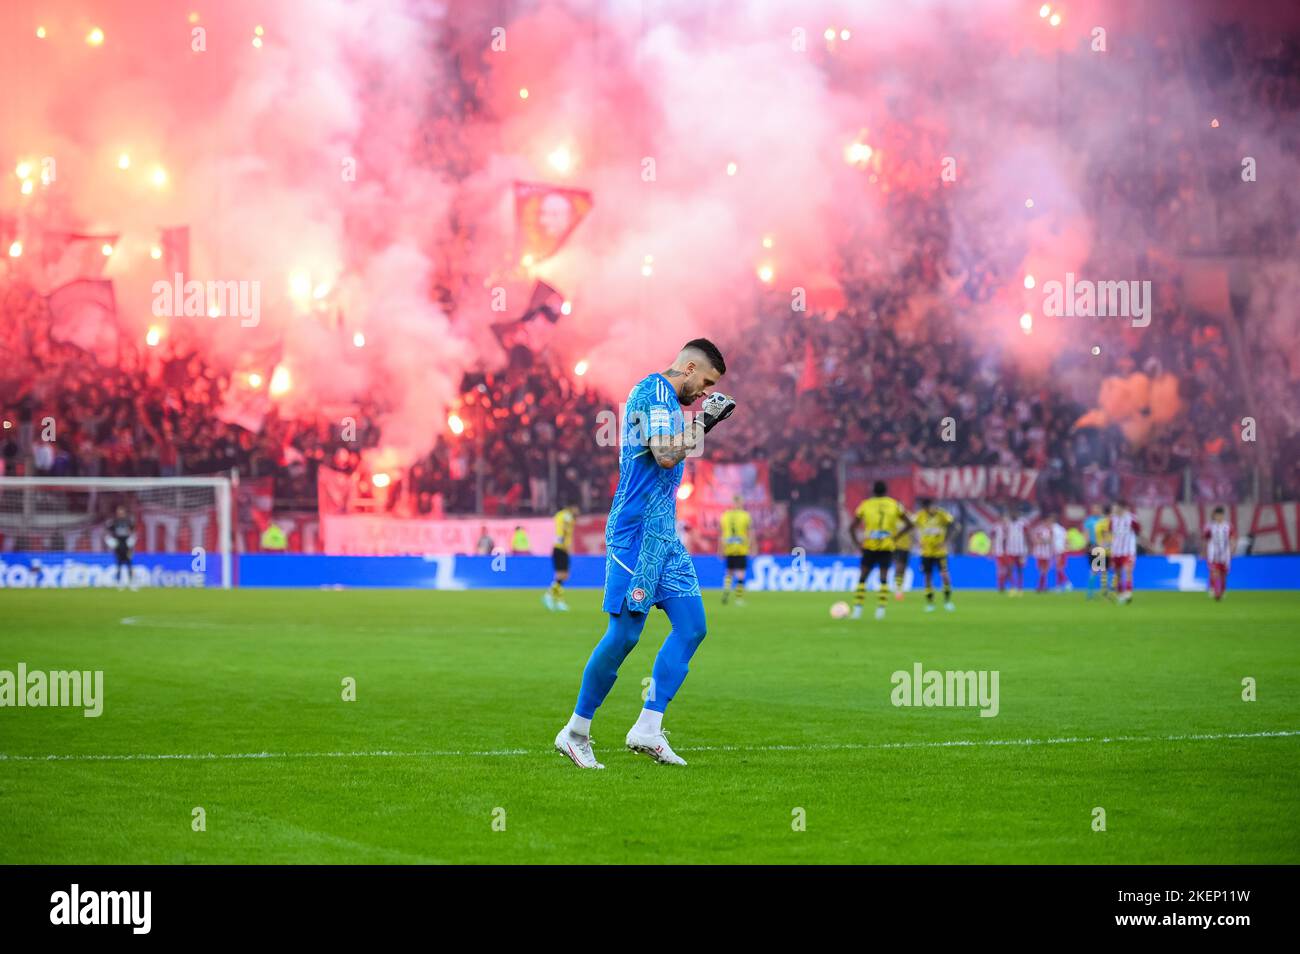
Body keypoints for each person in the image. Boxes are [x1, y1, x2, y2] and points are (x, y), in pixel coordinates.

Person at [554, 339, 735, 769]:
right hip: (634, 535)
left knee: (692, 627)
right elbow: (665, 454)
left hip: (663, 540)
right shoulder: (652, 393)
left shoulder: (671, 403)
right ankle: (576, 731)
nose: (705, 394)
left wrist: (698, 421)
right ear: (688, 368)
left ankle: (648, 728)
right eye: (705, 382)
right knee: (625, 635)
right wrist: (704, 422)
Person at [850, 480, 913, 620]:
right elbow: (910, 524)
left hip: (869, 546)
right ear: (886, 491)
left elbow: (852, 527)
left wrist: (857, 543)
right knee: (883, 578)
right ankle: (880, 611)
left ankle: (857, 610)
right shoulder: (894, 504)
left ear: (873, 491)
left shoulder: (865, 505)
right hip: (886, 546)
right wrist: (896, 537)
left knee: (862, 577)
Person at [913, 498, 955, 612]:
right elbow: (910, 526)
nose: (934, 508)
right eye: (932, 506)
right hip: (926, 552)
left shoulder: (942, 515)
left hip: (940, 552)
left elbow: (954, 526)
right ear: (926, 508)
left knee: (944, 575)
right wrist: (917, 542)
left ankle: (947, 601)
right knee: (927, 577)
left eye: (935, 505)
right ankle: (930, 603)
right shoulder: (920, 516)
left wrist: (946, 541)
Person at [719, 494, 751, 606]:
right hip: (741, 548)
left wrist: (720, 549)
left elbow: (722, 534)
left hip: (729, 548)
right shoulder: (745, 515)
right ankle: (738, 598)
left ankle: (727, 590)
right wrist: (753, 546)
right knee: (741, 573)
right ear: (740, 502)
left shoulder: (725, 515)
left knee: (729, 572)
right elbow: (750, 532)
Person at [544, 504, 578, 611]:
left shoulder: (562, 516)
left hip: (560, 548)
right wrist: (565, 546)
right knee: (561, 575)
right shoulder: (566, 516)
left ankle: (558, 600)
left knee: (563, 576)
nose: (578, 512)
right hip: (560, 549)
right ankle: (550, 595)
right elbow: (561, 532)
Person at [1109, 500, 1140, 603]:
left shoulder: (1132, 519)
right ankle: (1121, 593)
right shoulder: (1112, 520)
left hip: (1128, 551)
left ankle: (1128, 593)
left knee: (1128, 570)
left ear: (1122, 508)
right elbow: (1110, 533)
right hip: (1116, 551)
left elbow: (1138, 531)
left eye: (1115, 507)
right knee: (1117, 573)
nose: (1114, 509)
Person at [1204, 506, 1234, 601]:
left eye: (1220, 515)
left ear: (1223, 515)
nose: (1219, 517)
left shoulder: (1228, 526)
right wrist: (1204, 551)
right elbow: (1206, 539)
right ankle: (1214, 590)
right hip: (1213, 554)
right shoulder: (1210, 526)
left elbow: (1232, 538)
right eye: (1217, 515)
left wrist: (1232, 548)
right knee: (1214, 572)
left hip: (1225, 554)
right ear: (1214, 515)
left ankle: (1223, 590)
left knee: (1223, 574)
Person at [104, 505, 137, 591]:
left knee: (129, 563)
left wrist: (132, 540)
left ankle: (131, 583)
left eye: (122, 512)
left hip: (127, 545)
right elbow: (107, 531)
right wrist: (110, 540)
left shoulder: (128, 521)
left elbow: (134, 531)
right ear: (117, 513)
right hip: (118, 545)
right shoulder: (114, 522)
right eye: (119, 512)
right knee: (119, 564)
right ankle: (119, 582)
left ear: (124, 513)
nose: (120, 514)